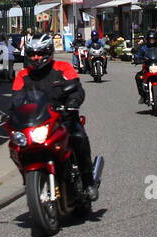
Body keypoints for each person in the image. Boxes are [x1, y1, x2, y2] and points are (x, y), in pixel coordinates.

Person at [11, 34, 99, 200]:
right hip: (38, 123)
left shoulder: (63, 67)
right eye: (31, 54)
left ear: (49, 51)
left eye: (40, 53)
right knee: (17, 146)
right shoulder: (22, 75)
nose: (35, 57)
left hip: (64, 118)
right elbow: (15, 98)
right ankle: (30, 179)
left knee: (78, 138)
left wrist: (73, 102)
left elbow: (77, 89)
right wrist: (11, 114)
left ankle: (88, 181)